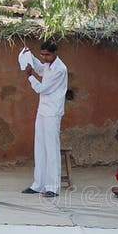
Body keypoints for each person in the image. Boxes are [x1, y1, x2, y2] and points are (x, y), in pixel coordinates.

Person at [22, 40, 68, 198]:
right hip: (42, 110)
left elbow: (42, 88)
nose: (44, 57)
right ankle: (38, 184)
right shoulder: (48, 65)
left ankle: (52, 187)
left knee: (51, 148)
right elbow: (41, 69)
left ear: (55, 53)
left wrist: (30, 76)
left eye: (47, 55)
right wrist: (30, 57)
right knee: (40, 147)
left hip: (53, 112)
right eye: (42, 54)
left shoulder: (60, 69)